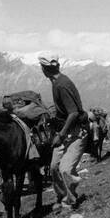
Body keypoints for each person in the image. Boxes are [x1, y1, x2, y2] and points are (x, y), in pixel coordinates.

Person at [39, 56, 86, 209]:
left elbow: (73, 113)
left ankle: (69, 202)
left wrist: (61, 135)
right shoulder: (57, 82)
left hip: (75, 132)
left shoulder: (61, 85)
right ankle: (62, 196)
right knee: (54, 167)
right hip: (65, 131)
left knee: (65, 169)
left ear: (44, 69)